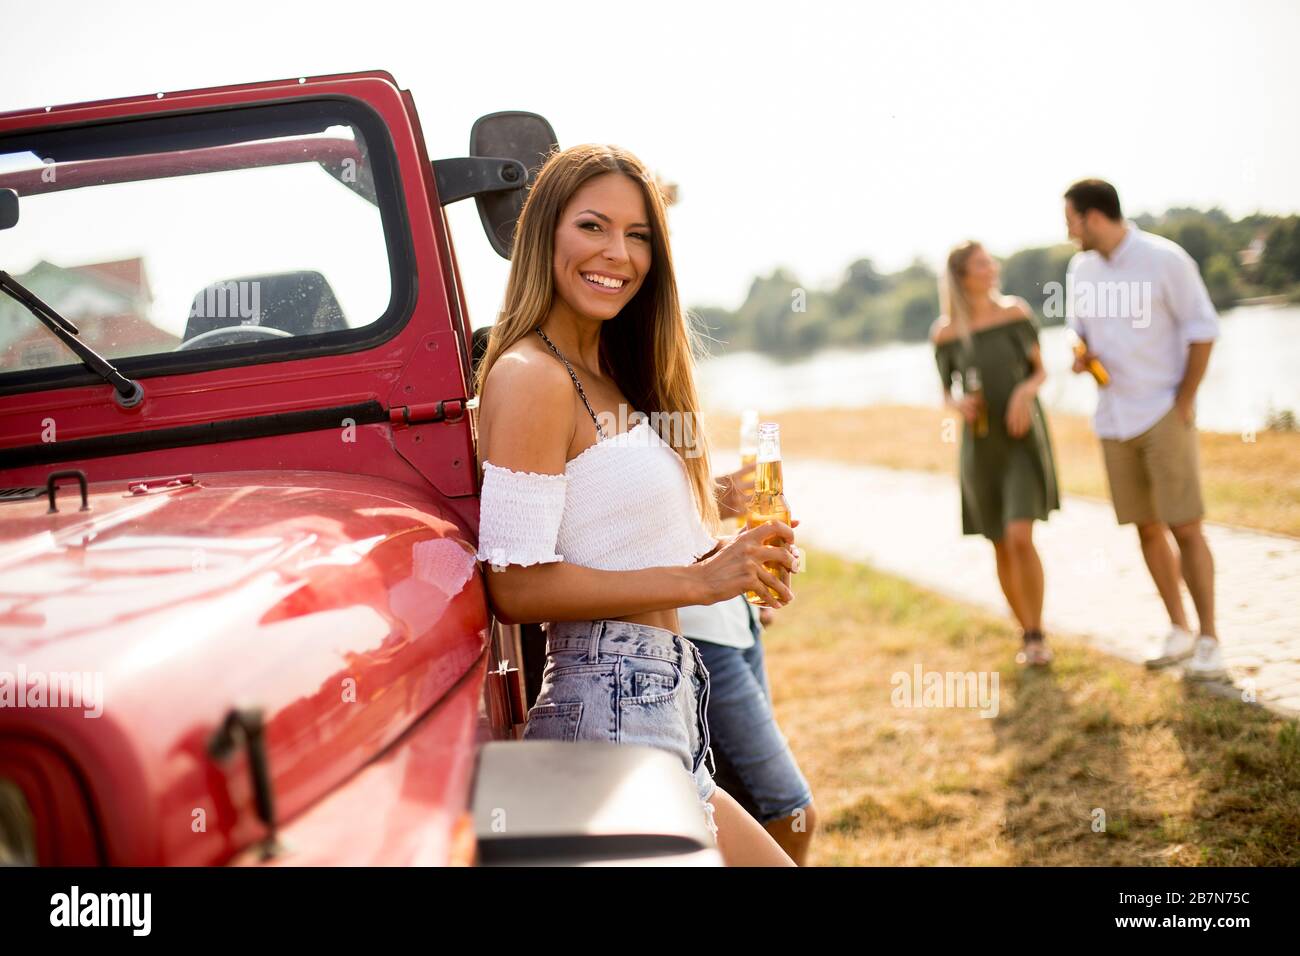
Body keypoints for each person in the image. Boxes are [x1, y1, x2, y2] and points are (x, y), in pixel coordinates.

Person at [472, 143, 800, 866]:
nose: (617, 253)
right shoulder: (531, 374)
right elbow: (516, 585)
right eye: (593, 226)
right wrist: (702, 581)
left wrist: (734, 562)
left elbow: (617, 547)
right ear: (545, 233)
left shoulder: (607, 373)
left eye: (639, 235)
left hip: (664, 699)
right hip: (608, 709)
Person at [1064, 179, 1224, 680]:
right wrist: (1083, 356)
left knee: (1185, 525)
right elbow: (1079, 331)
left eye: (1070, 219)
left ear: (1092, 217)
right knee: (1146, 526)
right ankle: (1177, 630)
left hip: (1162, 414)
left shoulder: (1165, 259)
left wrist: (1184, 401)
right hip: (1113, 419)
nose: (1067, 230)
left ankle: (1210, 640)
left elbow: (1203, 329)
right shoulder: (1080, 269)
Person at [677, 465, 817, 865]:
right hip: (698, 637)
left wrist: (746, 570)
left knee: (746, 805)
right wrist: (714, 498)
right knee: (791, 811)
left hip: (735, 623)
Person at [931, 241, 1061, 665]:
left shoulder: (1015, 313)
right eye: (982, 264)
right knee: (1000, 542)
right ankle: (1028, 635)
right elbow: (944, 392)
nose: (992, 268)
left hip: (1021, 439)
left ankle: (1038, 629)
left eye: (990, 262)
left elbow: (1041, 369)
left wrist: (1024, 392)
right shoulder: (946, 332)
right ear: (962, 276)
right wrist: (958, 404)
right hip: (981, 446)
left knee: (1021, 536)